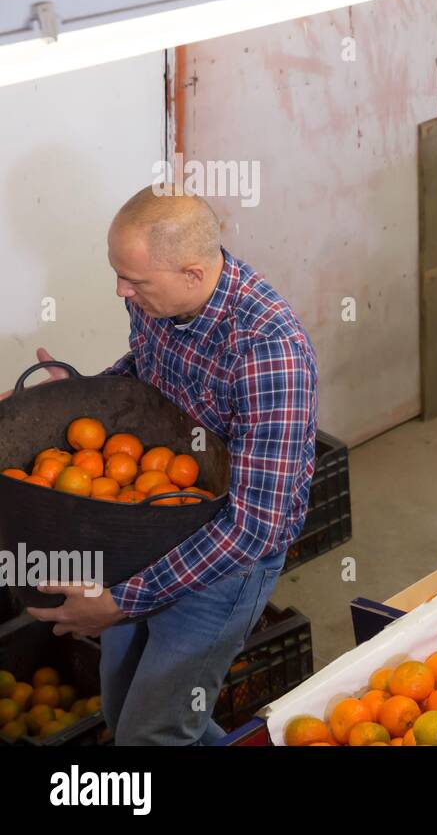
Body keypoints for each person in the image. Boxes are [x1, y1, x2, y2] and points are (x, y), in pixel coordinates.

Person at [22, 186, 318, 745]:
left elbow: (257, 526)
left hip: (227, 555)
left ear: (191, 271)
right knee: (124, 706)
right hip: (153, 518)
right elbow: (146, 368)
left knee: (149, 732)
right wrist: (87, 399)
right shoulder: (158, 299)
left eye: (134, 282)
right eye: (118, 275)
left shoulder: (267, 351)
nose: (120, 291)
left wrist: (118, 602)